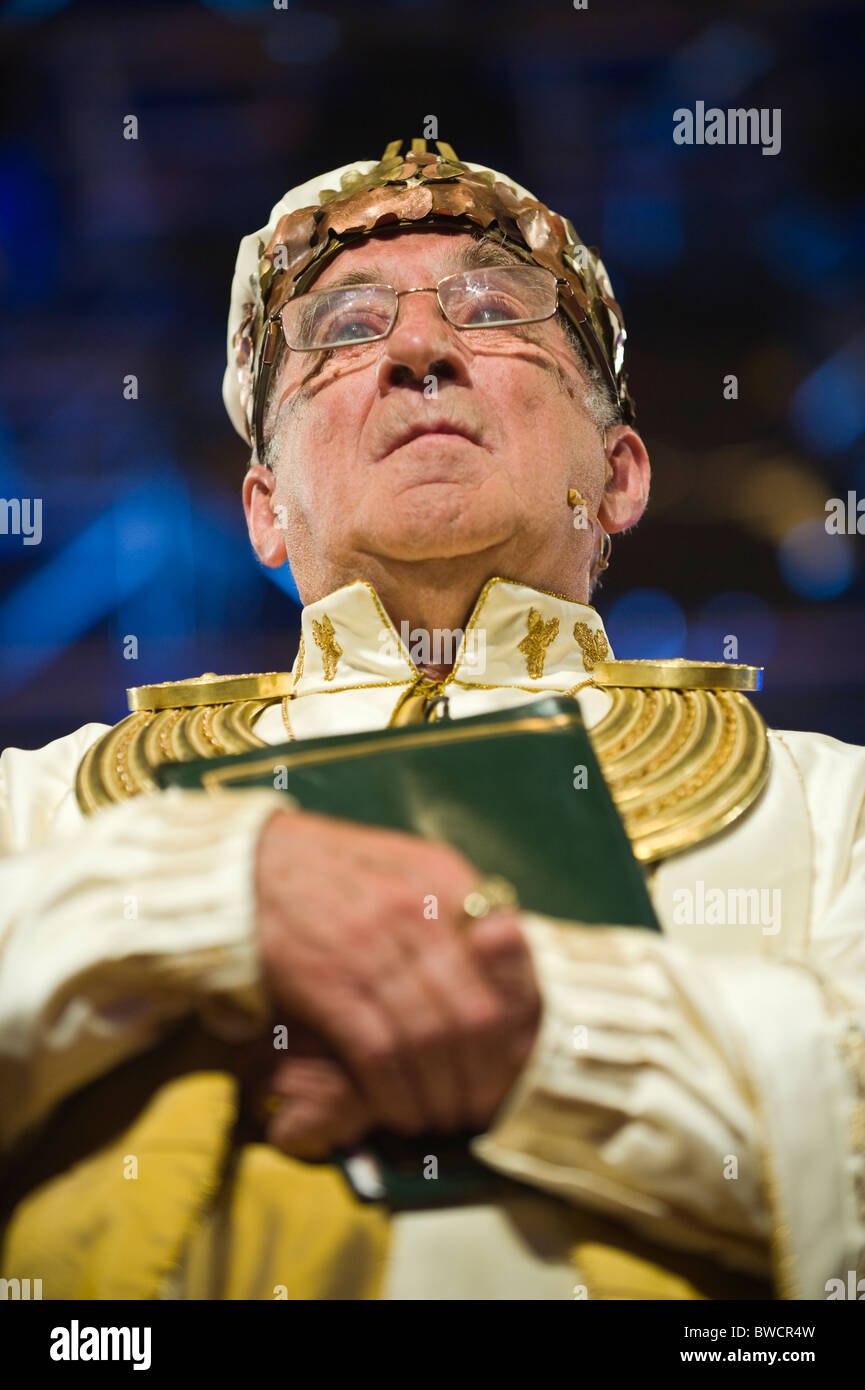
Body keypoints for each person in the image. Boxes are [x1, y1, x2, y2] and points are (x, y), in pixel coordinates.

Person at [1, 137, 863, 1302]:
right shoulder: (41, 806)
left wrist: (540, 1037)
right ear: (264, 509)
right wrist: (220, 889)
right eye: (346, 329)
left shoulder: (832, 805)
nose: (416, 348)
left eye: (494, 311)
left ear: (618, 475)